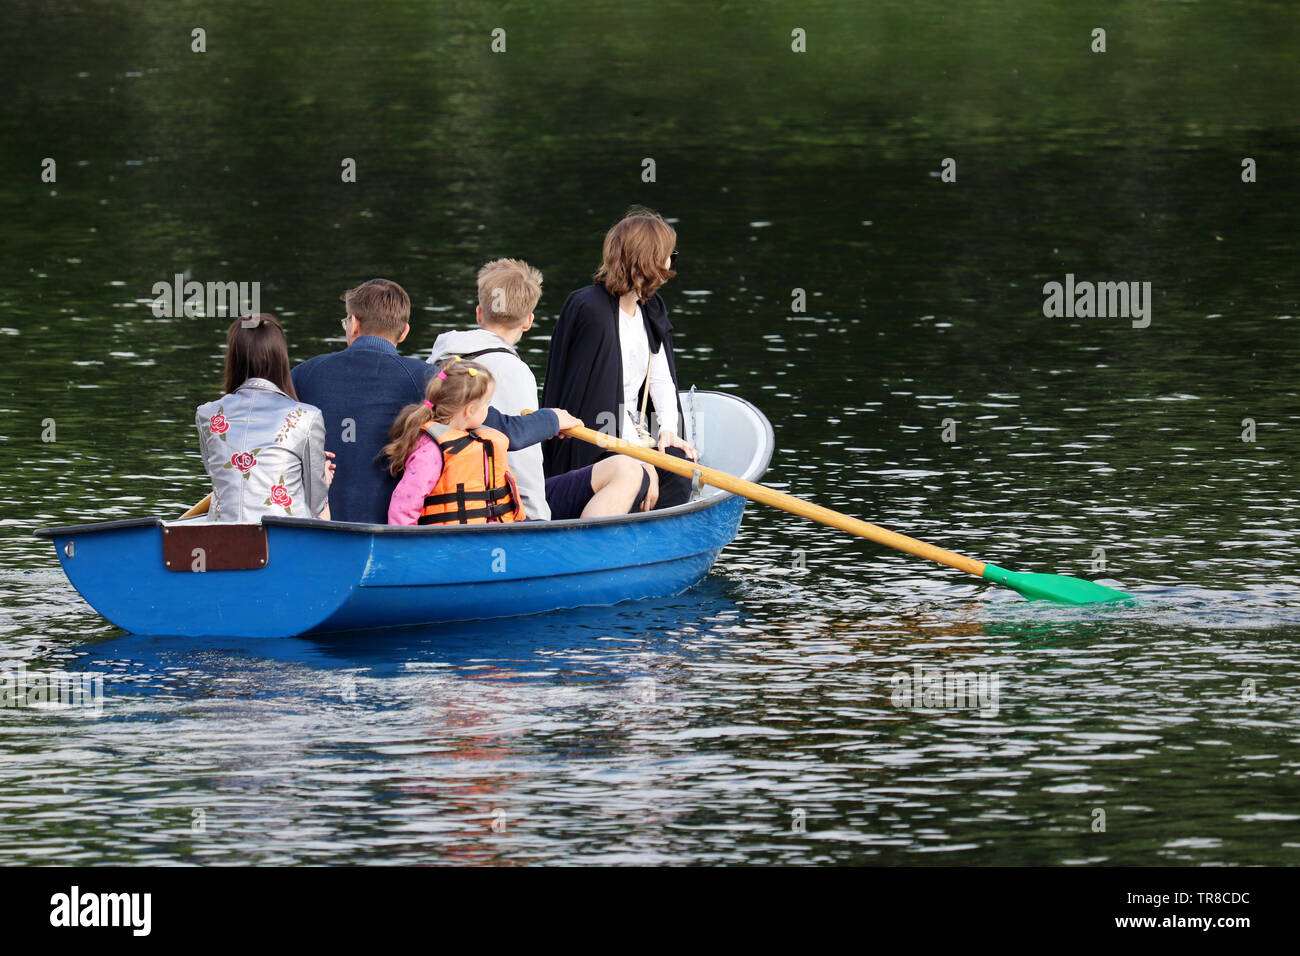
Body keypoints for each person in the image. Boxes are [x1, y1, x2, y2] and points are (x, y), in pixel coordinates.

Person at [292, 278, 579, 524]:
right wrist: (554, 419)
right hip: (394, 526)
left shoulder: (304, 374)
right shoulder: (426, 378)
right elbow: (507, 431)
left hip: (320, 525)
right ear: (404, 332)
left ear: (353, 324)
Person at [428, 258, 657, 519]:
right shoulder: (513, 371)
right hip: (506, 509)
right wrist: (539, 520)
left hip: (450, 498)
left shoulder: (439, 360)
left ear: (480, 313)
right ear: (528, 321)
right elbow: (522, 465)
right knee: (627, 470)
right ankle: (580, 555)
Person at [540, 207, 698, 509]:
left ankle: (655, 541)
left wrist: (667, 431)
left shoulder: (650, 307)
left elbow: (661, 378)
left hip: (630, 434)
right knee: (638, 474)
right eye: (669, 255)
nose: (671, 264)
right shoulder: (591, 309)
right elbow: (594, 398)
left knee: (679, 467)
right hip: (594, 438)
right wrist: (638, 457)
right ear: (648, 258)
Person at [196, 315, 334, 522]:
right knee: (322, 512)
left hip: (221, 537)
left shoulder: (208, 414)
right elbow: (315, 503)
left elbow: (219, 474)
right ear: (281, 358)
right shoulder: (307, 416)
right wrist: (322, 477)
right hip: (285, 537)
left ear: (233, 359)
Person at [385, 360, 525, 525]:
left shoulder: (481, 442)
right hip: (447, 541)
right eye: (487, 404)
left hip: (486, 538)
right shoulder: (432, 451)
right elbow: (404, 505)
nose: (488, 409)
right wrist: (406, 545)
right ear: (470, 410)